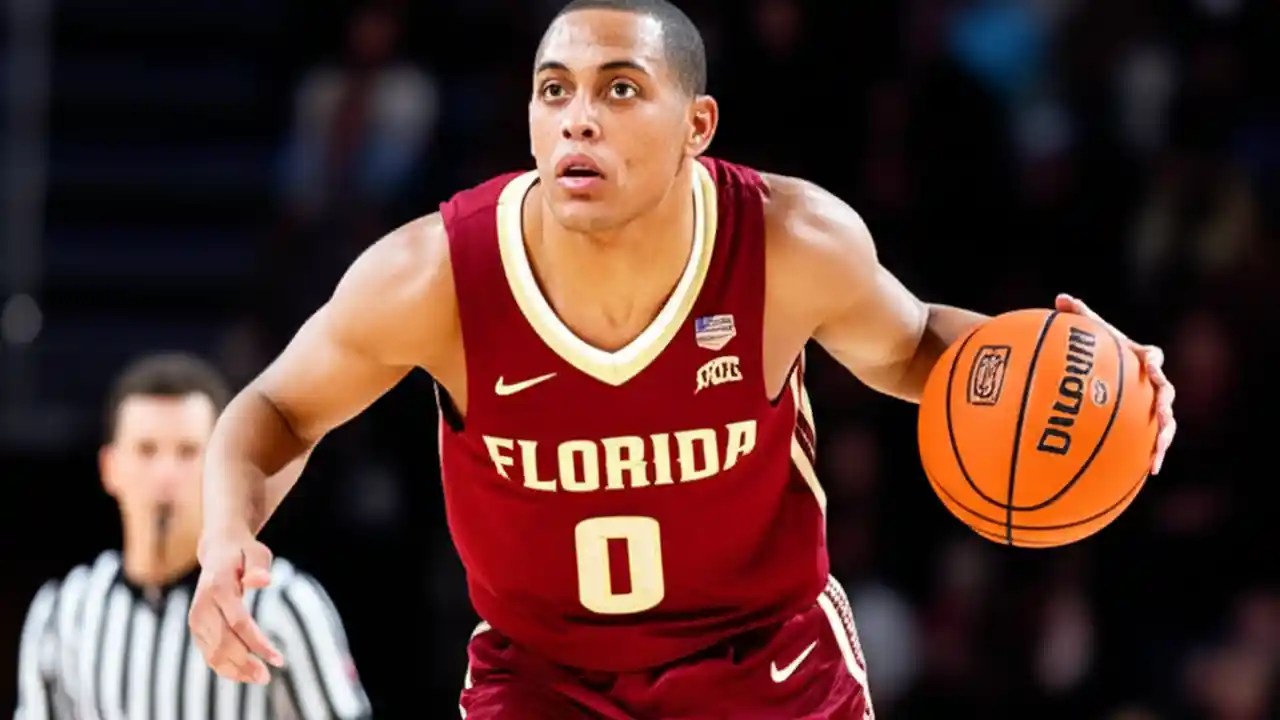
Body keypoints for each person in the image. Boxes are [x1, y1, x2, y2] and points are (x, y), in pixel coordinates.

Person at [188, 0, 1178, 717]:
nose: (579, 115)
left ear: (695, 127)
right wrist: (226, 530)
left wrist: (1085, 375)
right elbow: (277, 407)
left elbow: (916, 344)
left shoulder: (788, 241)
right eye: (554, 90)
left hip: (767, 668)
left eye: (620, 89)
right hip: (542, 683)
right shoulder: (434, 276)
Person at [14, 353, 371, 720]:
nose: (166, 475)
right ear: (110, 467)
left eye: (187, 452)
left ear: (220, 469)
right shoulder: (64, 611)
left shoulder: (283, 604)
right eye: (146, 450)